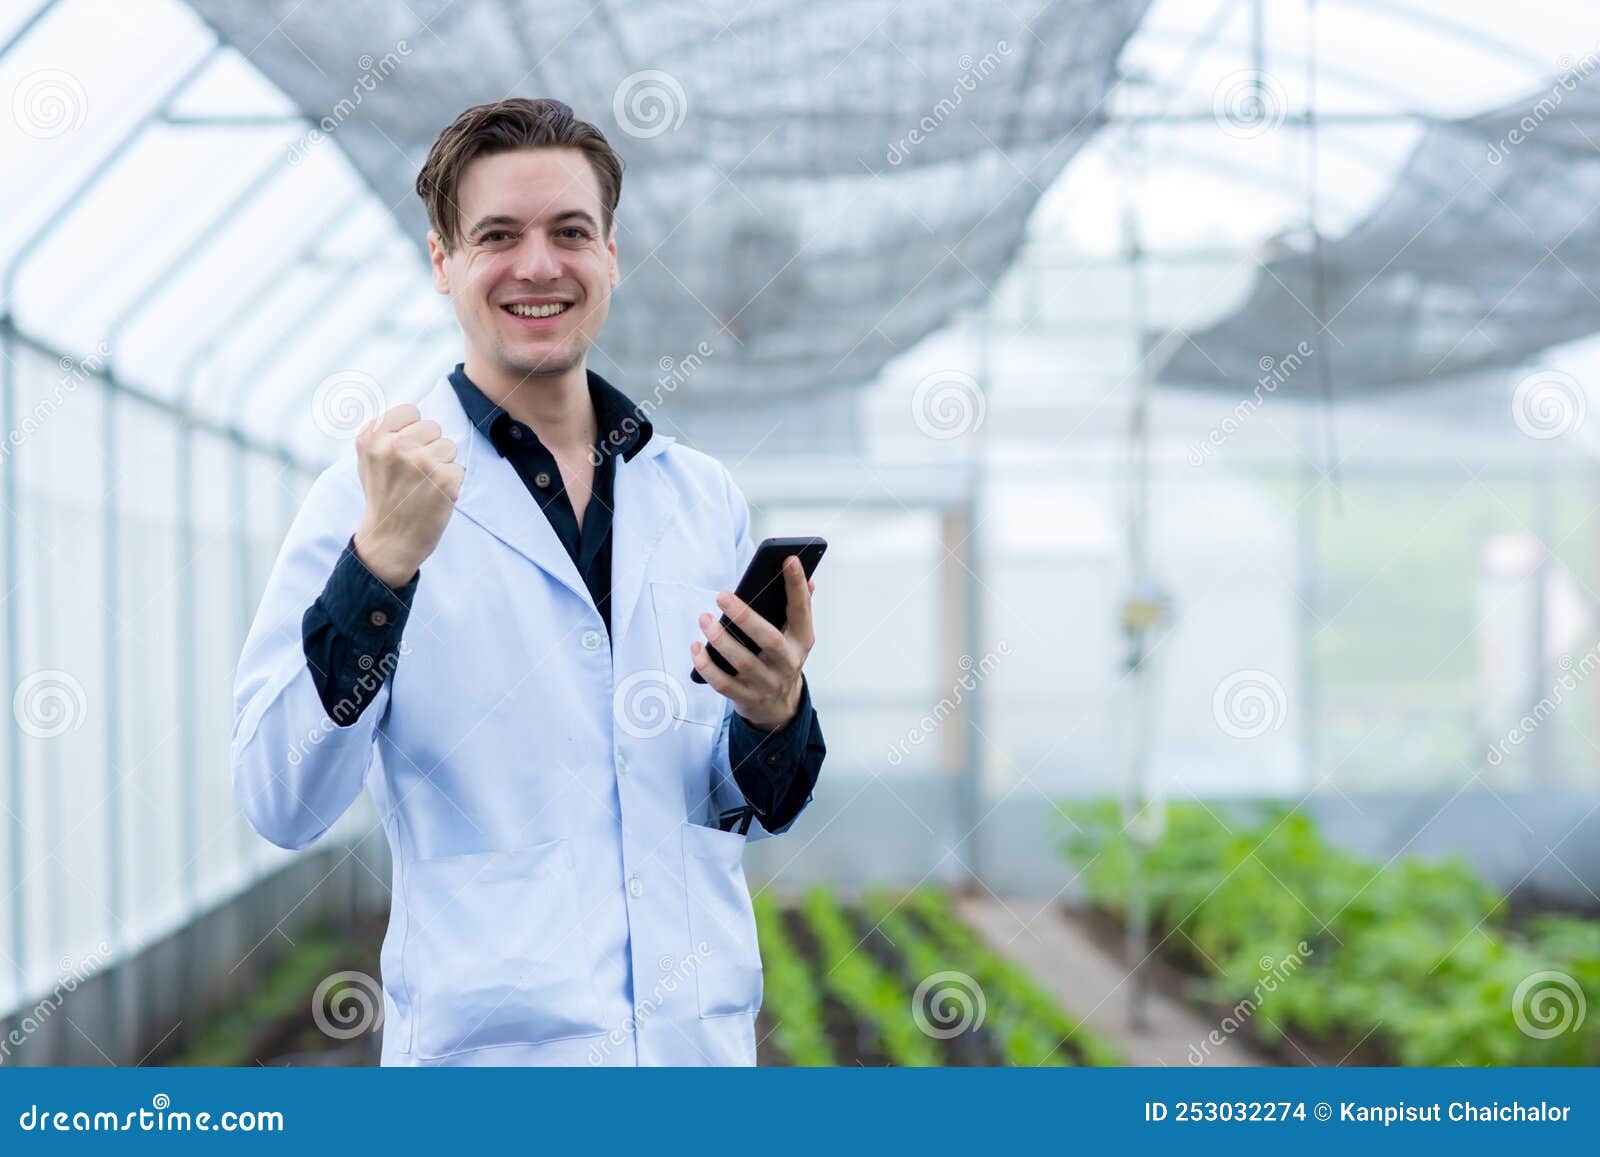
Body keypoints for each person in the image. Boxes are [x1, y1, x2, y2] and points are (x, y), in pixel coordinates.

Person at [231, 98, 826, 1066]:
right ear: (442, 261)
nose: (539, 265)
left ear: (612, 256)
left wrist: (774, 711)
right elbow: (280, 797)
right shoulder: (367, 494)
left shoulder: (698, 495)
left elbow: (735, 803)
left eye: (570, 233)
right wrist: (378, 567)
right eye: (498, 235)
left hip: (698, 1055)